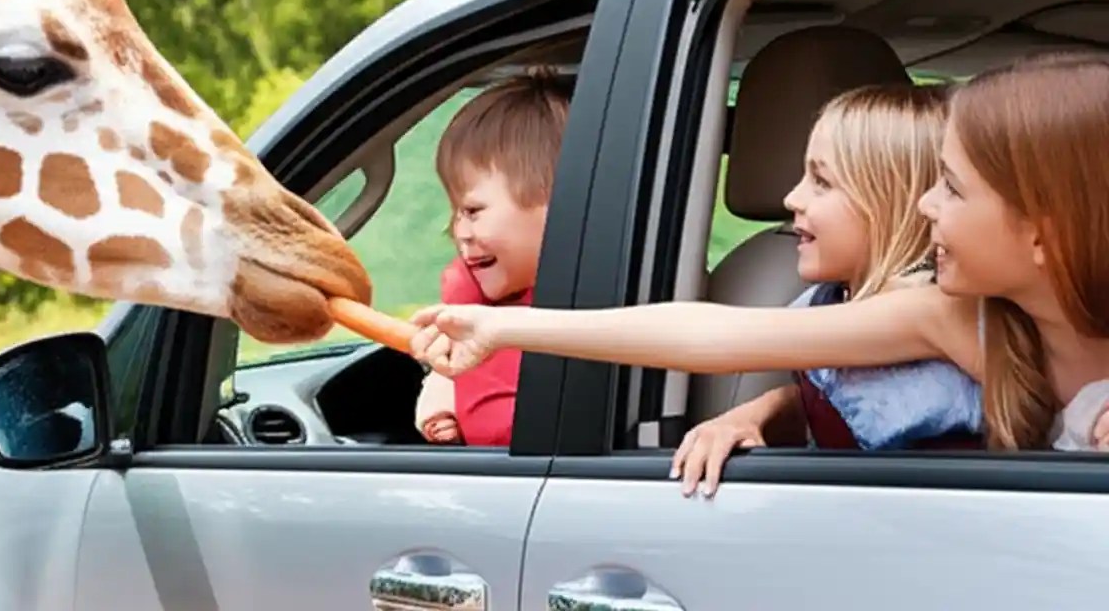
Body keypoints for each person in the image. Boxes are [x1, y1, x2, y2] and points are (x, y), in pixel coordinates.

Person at [408, 51, 1109, 460]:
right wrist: (501, 329)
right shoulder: (955, 318)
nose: (926, 207)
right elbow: (713, 334)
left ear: (1042, 232)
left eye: (951, 189)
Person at [671, 83, 982, 497]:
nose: (791, 197)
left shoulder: (939, 317)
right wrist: (753, 415)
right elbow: (827, 396)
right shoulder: (832, 297)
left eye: (821, 181)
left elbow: (708, 337)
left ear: (891, 202)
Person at [412, 67, 574, 446]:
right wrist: (443, 384)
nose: (459, 231)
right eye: (454, 214)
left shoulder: (600, 308)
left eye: (472, 211)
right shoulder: (469, 306)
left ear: (555, 199)